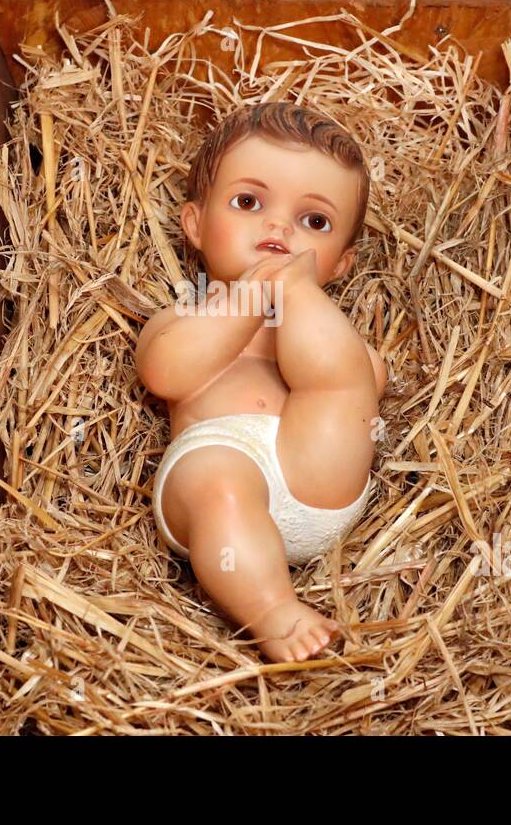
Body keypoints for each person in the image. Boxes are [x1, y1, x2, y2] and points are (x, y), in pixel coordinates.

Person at [138, 103, 387, 663]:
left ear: (341, 263)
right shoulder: (186, 314)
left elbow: (365, 384)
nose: (279, 228)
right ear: (196, 225)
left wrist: (299, 300)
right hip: (219, 471)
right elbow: (165, 373)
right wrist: (249, 299)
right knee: (218, 480)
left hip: (318, 478)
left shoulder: (330, 333)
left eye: (314, 222)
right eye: (248, 202)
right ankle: (274, 611)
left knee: (342, 383)